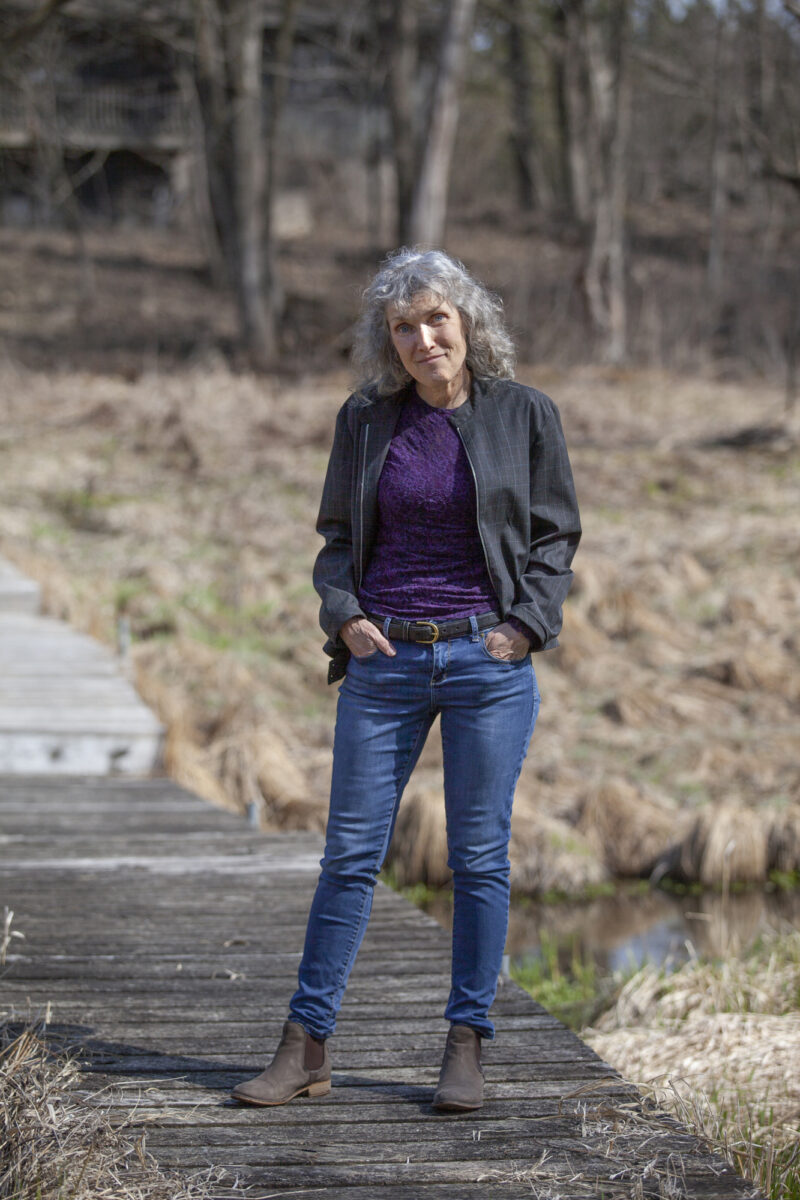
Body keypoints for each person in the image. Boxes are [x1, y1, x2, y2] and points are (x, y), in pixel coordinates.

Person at [232, 247, 581, 1112]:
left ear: (468, 323)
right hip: (384, 661)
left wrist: (523, 627)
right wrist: (342, 613)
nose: (423, 339)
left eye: (437, 319)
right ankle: (305, 1044)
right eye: (403, 327)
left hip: (484, 662)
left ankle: (465, 1046)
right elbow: (336, 540)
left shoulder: (526, 414)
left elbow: (555, 535)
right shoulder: (365, 419)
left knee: (478, 858)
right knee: (349, 854)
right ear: (386, 341)